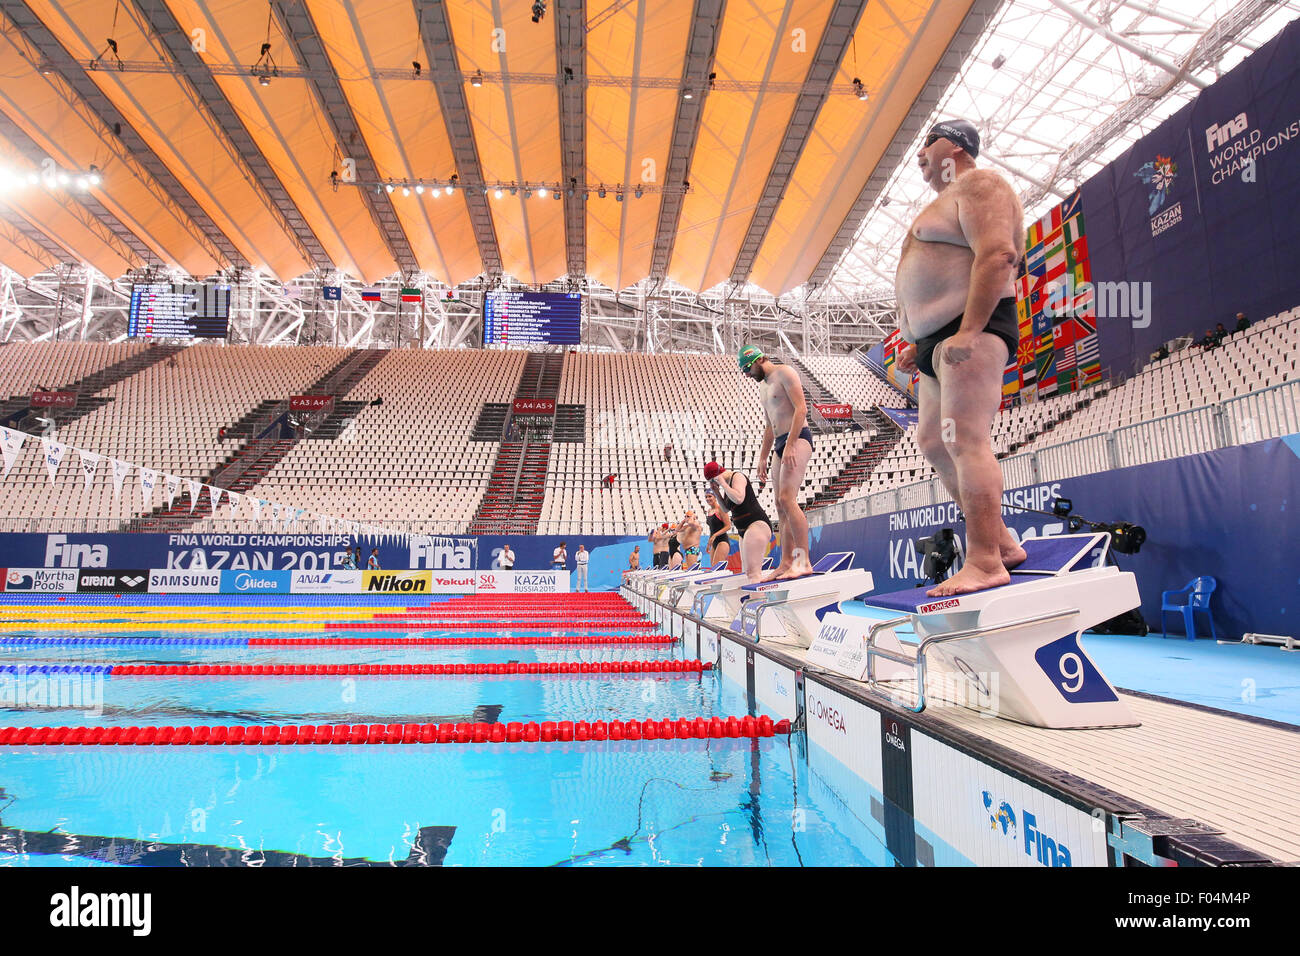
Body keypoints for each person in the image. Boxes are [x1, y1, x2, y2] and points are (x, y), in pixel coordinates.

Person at [893, 118, 1028, 597]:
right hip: (936, 343)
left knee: (966, 438)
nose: (919, 155)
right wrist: (917, 344)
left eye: (926, 143)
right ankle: (1004, 543)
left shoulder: (981, 183)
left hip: (971, 330)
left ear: (954, 144)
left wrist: (969, 330)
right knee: (933, 440)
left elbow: (998, 254)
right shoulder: (945, 199)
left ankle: (986, 560)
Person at [738, 345, 814, 580]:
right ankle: (786, 562)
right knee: (779, 506)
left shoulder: (785, 373)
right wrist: (763, 456)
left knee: (787, 499)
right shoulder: (762, 387)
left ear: (759, 359)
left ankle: (804, 561)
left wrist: (791, 444)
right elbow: (770, 426)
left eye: (747, 368)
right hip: (780, 442)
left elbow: (801, 409)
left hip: (798, 437)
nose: (747, 375)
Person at [704, 460, 772, 583]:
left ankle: (756, 600)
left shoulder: (737, 476)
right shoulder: (727, 486)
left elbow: (739, 498)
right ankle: (751, 598)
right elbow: (725, 508)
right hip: (744, 530)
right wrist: (717, 492)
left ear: (716, 477)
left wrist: (722, 483)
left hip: (756, 524)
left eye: (712, 480)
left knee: (753, 573)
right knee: (746, 571)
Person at [704, 490, 733, 565]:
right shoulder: (709, 511)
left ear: (715, 497)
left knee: (716, 568)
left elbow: (728, 526)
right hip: (714, 543)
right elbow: (712, 529)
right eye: (706, 497)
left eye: (710, 496)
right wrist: (709, 543)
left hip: (722, 541)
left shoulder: (721, 509)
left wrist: (715, 535)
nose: (708, 498)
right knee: (713, 568)